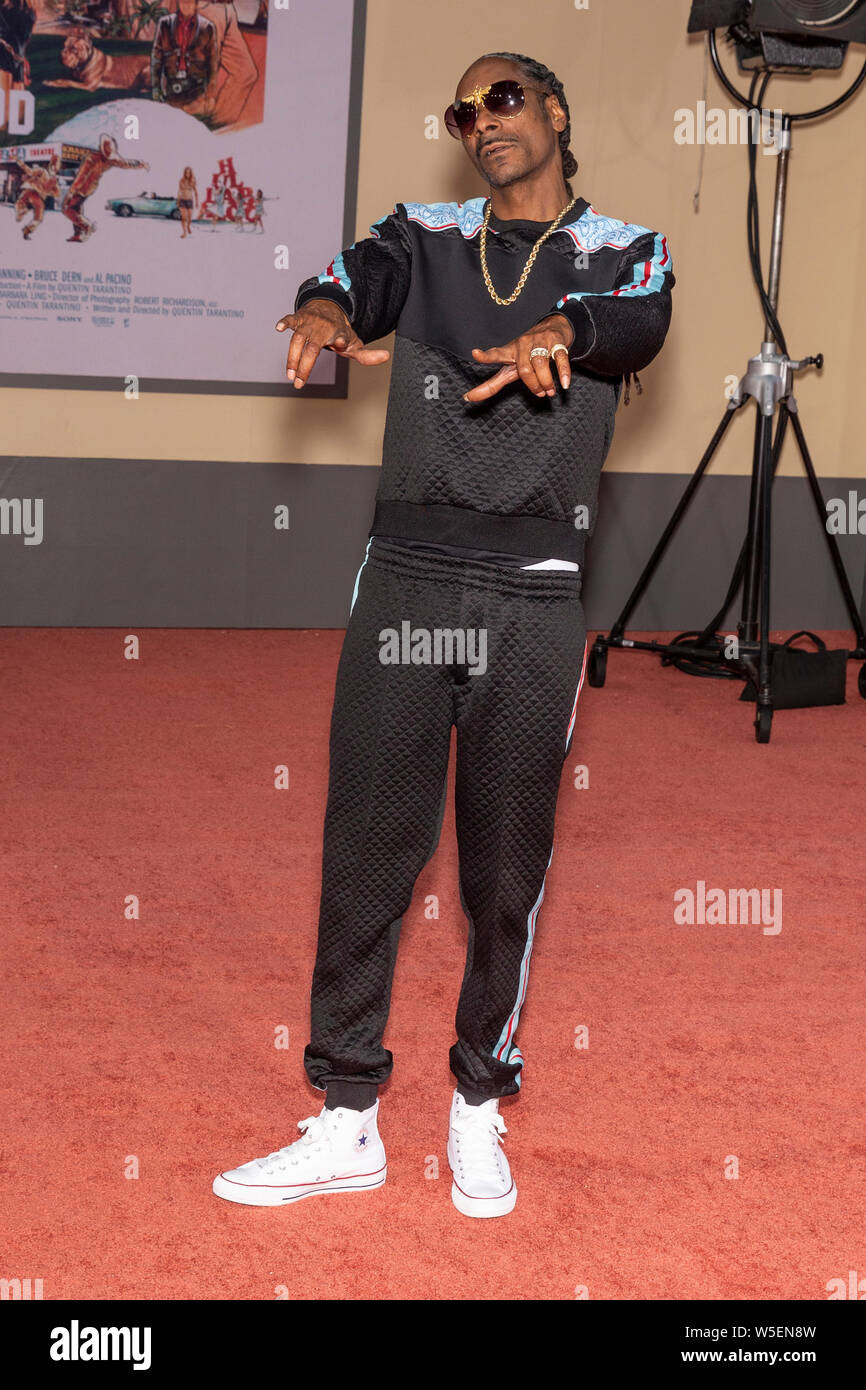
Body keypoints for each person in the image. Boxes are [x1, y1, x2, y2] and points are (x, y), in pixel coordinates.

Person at [213, 51, 675, 1218]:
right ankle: (345, 1113)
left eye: (504, 98)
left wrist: (564, 326)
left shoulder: (620, 248)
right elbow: (350, 276)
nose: (482, 122)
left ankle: (477, 1102)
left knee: (503, 869)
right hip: (408, 580)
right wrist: (325, 307)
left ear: (557, 110)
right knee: (367, 842)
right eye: (465, 109)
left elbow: (637, 322)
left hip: (532, 592)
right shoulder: (421, 235)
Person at [61, 133, 148, 242]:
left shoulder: (91, 158)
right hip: (91, 187)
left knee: (67, 208)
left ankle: (87, 226)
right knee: (76, 208)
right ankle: (78, 234)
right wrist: (140, 164)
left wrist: (71, 192)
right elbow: (126, 163)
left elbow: (81, 177)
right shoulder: (112, 160)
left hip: (82, 188)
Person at [13, 150, 60, 239]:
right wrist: (20, 162)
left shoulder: (50, 179)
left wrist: (52, 186)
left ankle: (24, 221)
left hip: (34, 194)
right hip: (33, 192)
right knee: (36, 214)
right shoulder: (43, 172)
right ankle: (23, 216)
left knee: (37, 215)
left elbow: (57, 194)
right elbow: (30, 172)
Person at [177, 164, 198, 237]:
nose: (187, 174)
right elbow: (179, 191)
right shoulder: (181, 180)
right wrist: (178, 200)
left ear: (191, 173)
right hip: (182, 200)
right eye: (186, 172)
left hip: (189, 201)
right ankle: (184, 232)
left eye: (189, 172)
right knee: (184, 218)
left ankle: (188, 226)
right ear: (184, 173)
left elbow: (195, 192)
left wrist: (197, 202)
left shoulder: (193, 180)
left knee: (190, 218)